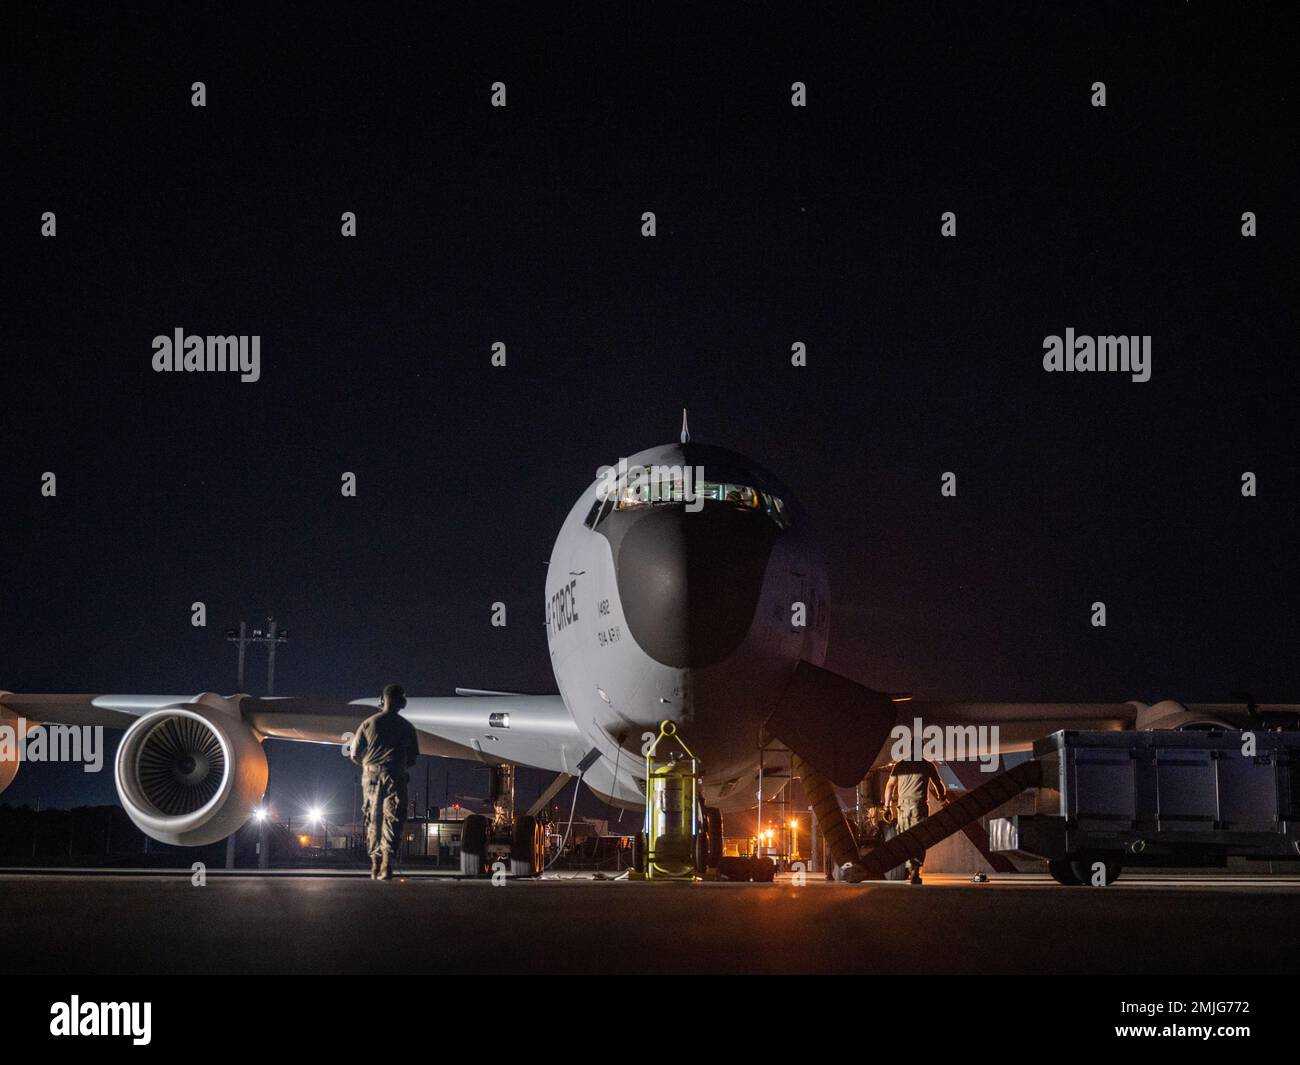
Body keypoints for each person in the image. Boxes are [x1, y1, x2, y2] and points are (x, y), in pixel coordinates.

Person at [350, 683, 420, 881]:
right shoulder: (407, 727)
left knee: (373, 818)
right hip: (395, 775)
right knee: (393, 818)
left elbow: (354, 754)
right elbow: (413, 759)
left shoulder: (368, 723)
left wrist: (368, 765)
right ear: (401, 702)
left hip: (370, 776)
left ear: (382, 700)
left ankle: (374, 864)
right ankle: (387, 865)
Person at [883, 759, 948, 885]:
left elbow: (890, 785)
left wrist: (887, 807)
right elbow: (938, 784)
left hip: (902, 809)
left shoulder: (900, 765)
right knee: (919, 840)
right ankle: (915, 870)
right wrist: (943, 800)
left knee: (905, 840)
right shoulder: (927, 765)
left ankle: (910, 867)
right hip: (919, 808)